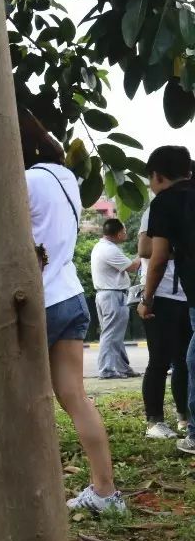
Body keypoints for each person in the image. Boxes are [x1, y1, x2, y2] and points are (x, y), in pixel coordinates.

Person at [21, 112, 125, 515]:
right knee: (74, 397)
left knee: (17, 400)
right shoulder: (65, 178)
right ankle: (105, 491)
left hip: (35, 301)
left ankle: (20, 486)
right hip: (69, 295)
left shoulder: (24, 181)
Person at [138, 145, 195, 454]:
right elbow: (146, 250)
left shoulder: (170, 201)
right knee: (162, 359)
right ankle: (155, 419)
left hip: (185, 292)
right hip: (165, 293)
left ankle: (186, 419)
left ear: (157, 176)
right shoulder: (157, 208)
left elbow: (157, 256)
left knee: (186, 362)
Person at [90, 218, 140, 379]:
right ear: (118, 234)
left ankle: (122, 368)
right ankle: (107, 370)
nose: (125, 234)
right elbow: (132, 267)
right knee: (111, 334)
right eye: (124, 232)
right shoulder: (109, 250)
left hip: (106, 294)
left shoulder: (102, 247)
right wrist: (144, 251)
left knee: (115, 334)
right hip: (113, 294)